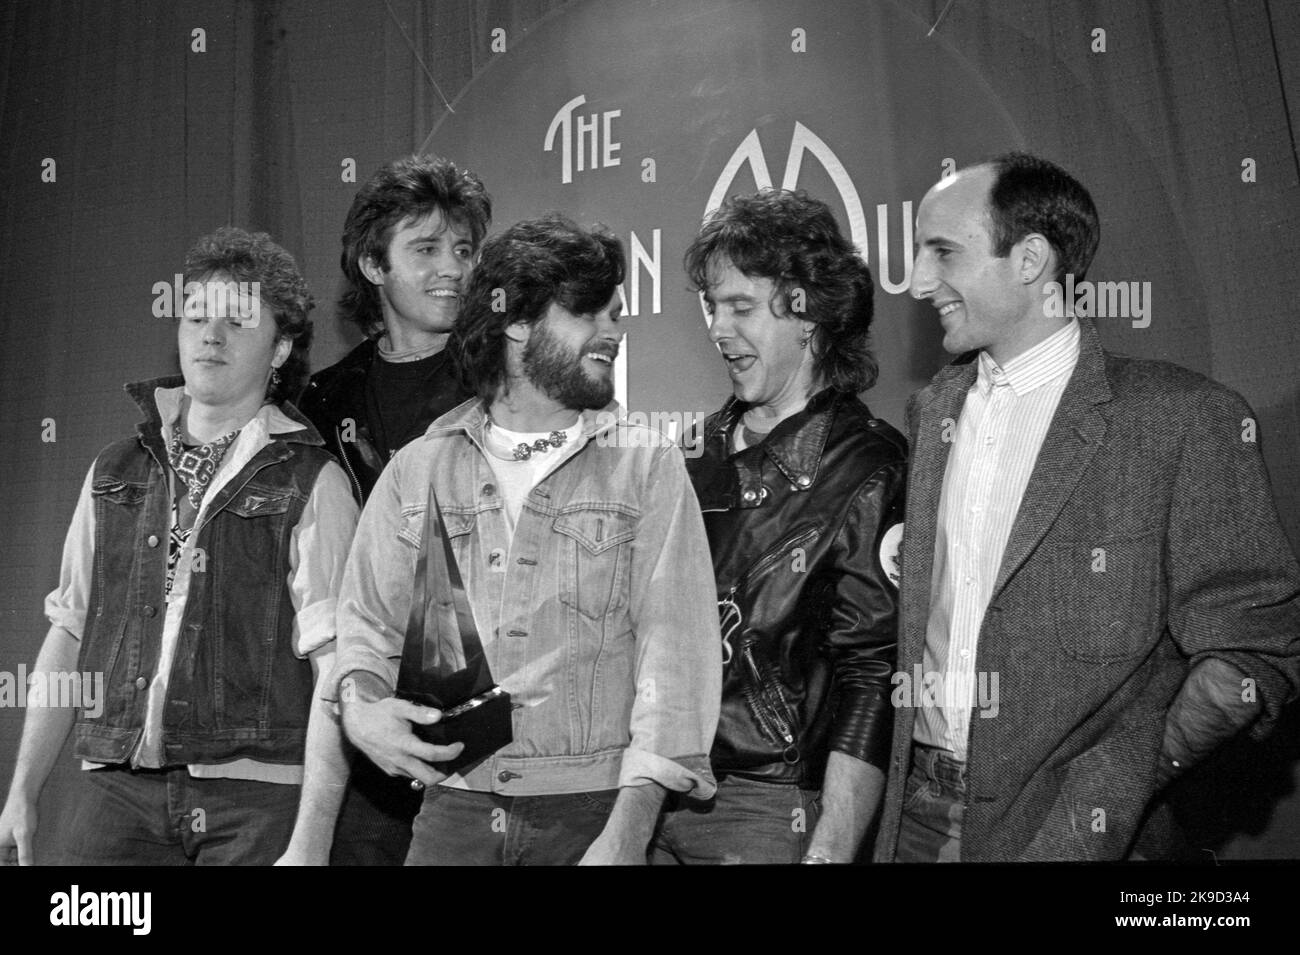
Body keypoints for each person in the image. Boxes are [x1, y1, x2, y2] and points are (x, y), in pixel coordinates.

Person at [875, 152, 1300, 862]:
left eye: (942, 251)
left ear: (1032, 259)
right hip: (916, 818)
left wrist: (1121, 786)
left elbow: (1253, 654)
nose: (917, 281)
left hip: (1084, 834)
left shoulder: (1182, 419)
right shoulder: (934, 411)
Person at [324, 213, 722, 865]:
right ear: (515, 322)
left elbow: (676, 664)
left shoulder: (646, 466)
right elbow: (364, 622)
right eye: (588, 313)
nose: (613, 333)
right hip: (451, 814)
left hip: (589, 815)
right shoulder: (421, 467)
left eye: (617, 315)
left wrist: (626, 833)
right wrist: (360, 706)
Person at [0, 227, 358, 865]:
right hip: (115, 789)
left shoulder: (315, 481)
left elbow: (339, 672)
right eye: (195, 317)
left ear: (280, 349)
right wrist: (23, 791)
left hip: (256, 799)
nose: (210, 335)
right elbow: (68, 629)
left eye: (236, 322)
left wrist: (310, 842)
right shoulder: (114, 470)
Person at [649, 189, 906, 864]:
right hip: (653, 790)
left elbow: (872, 673)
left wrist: (829, 850)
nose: (717, 327)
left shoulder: (867, 465)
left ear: (807, 311)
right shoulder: (689, 453)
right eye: (711, 305)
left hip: (771, 809)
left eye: (739, 305)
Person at [293, 154, 491, 865]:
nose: (454, 269)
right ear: (374, 266)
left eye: (465, 250)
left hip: (483, 721)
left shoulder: (506, 384)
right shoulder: (323, 400)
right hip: (361, 722)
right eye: (427, 248)